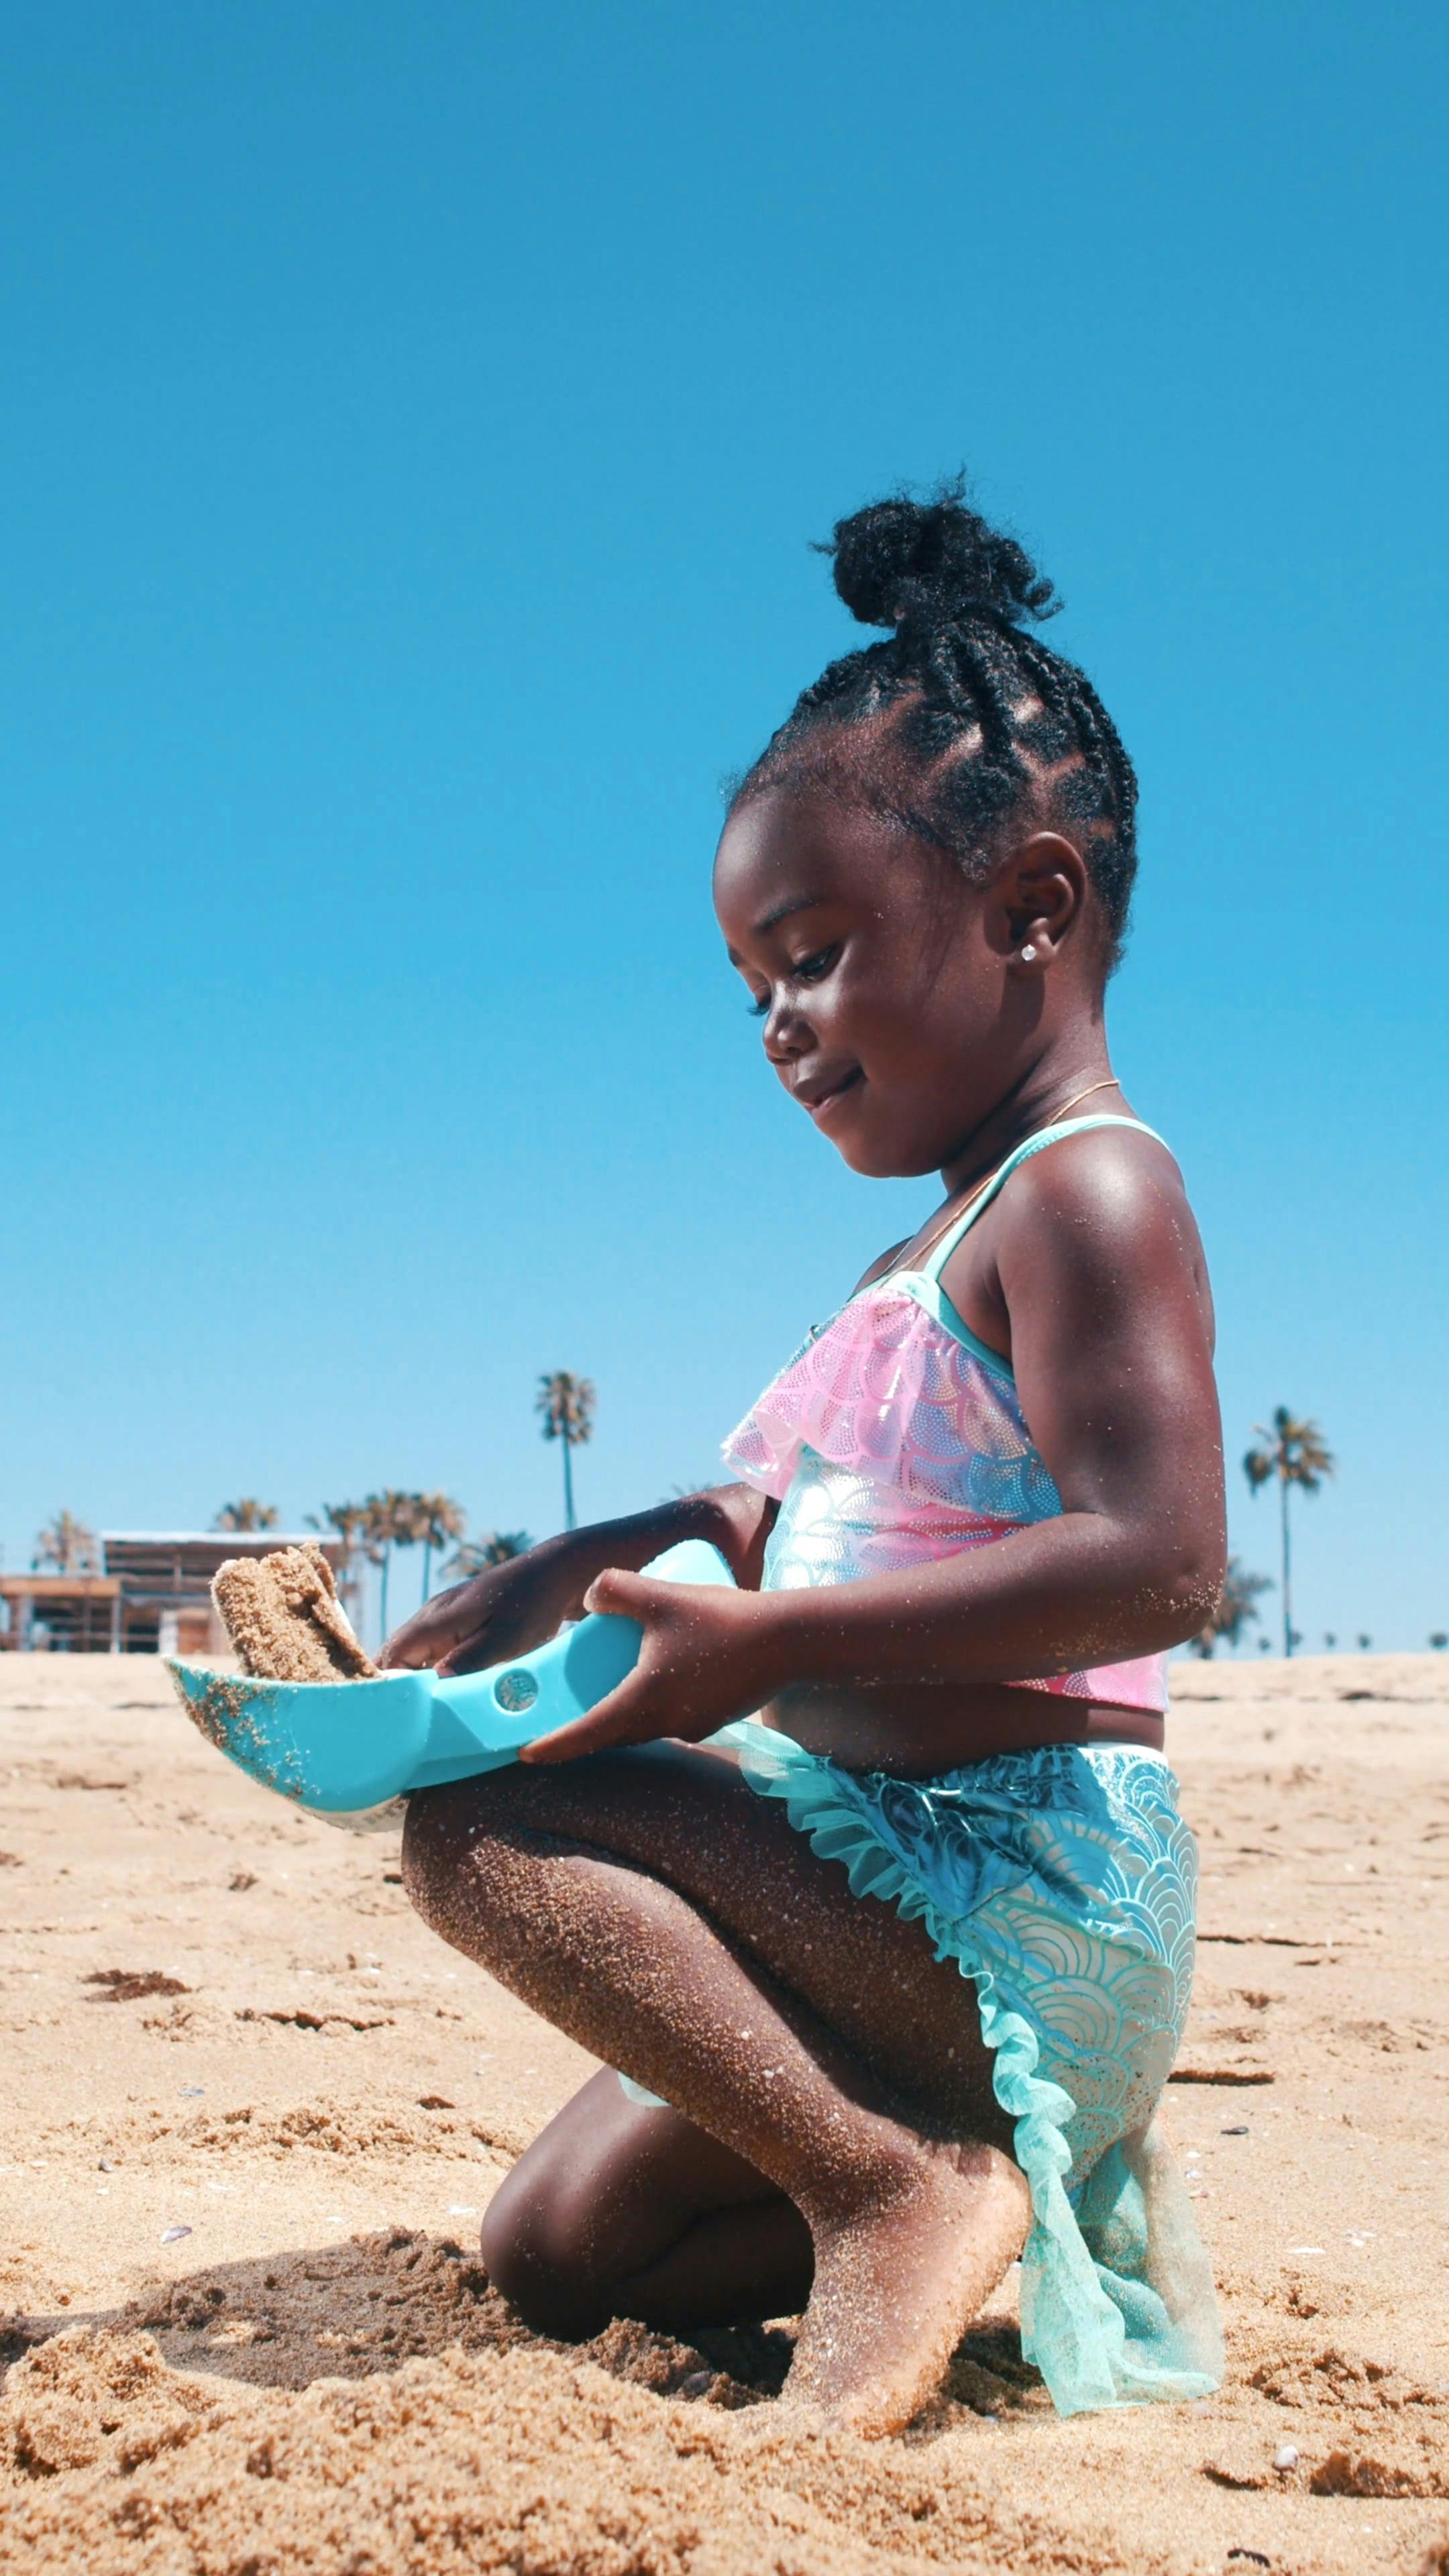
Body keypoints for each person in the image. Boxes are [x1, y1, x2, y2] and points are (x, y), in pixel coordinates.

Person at [386, 483, 1226, 2435]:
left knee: (477, 1828)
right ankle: (957, 2185)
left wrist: (768, 1653)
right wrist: (583, 1563)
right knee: (559, 2253)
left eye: (818, 952)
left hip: (1012, 1901)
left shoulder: (1089, 1194)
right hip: (882, 1908)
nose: (778, 1022)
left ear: (1031, 909)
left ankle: (892, 2185)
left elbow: (1163, 1553)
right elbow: (760, 1519)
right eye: (752, 982)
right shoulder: (907, 1264)